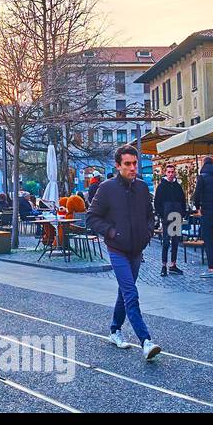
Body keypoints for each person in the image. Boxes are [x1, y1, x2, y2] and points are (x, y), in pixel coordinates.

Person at [86, 145, 162, 361]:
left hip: (137, 249)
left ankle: (114, 330)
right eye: (127, 164)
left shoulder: (142, 187)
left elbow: (150, 215)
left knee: (124, 291)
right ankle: (146, 341)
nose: (132, 168)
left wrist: (147, 233)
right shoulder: (106, 188)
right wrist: (111, 232)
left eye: (135, 163)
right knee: (130, 292)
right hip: (117, 248)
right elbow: (92, 217)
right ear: (118, 166)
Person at [153, 162, 186, 276]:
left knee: (175, 242)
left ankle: (173, 265)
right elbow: (157, 203)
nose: (171, 174)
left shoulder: (178, 186)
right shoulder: (162, 186)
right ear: (165, 173)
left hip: (176, 217)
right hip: (167, 217)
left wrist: (182, 213)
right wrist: (162, 215)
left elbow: (183, 201)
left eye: (172, 172)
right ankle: (164, 266)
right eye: (169, 172)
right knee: (166, 242)